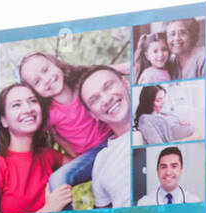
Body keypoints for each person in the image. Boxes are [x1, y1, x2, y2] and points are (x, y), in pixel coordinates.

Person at [17, 52, 127, 198]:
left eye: (46, 70)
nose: (47, 79)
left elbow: (103, 73)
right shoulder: (48, 113)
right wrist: (74, 156)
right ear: (34, 91)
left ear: (56, 64)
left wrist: (128, 67)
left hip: (113, 138)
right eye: (37, 82)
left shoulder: (81, 83)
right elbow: (55, 136)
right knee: (57, 179)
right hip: (89, 156)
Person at [0, 83, 71, 213]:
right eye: (16, 105)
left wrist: (56, 134)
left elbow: (84, 164)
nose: (28, 109)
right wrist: (47, 210)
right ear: (4, 121)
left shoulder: (48, 156)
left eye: (32, 101)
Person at [77, 66, 145, 209]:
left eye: (108, 86)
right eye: (95, 99)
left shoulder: (161, 121)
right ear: (93, 114)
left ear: (126, 84)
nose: (106, 99)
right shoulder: (101, 161)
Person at [133, 85, 199, 145]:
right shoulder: (145, 120)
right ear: (148, 101)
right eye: (159, 100)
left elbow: (173, 126)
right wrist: (191, 138)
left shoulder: (162, 112)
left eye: (163, 98)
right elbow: (157, 144)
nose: (163, 102)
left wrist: (181, 123)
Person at [136, 146, 201, 205]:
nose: (168, 172)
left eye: (174, 166)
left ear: (181, 170)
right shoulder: (144, 203)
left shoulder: (194, 202)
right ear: (157, 171)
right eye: (164, 167)